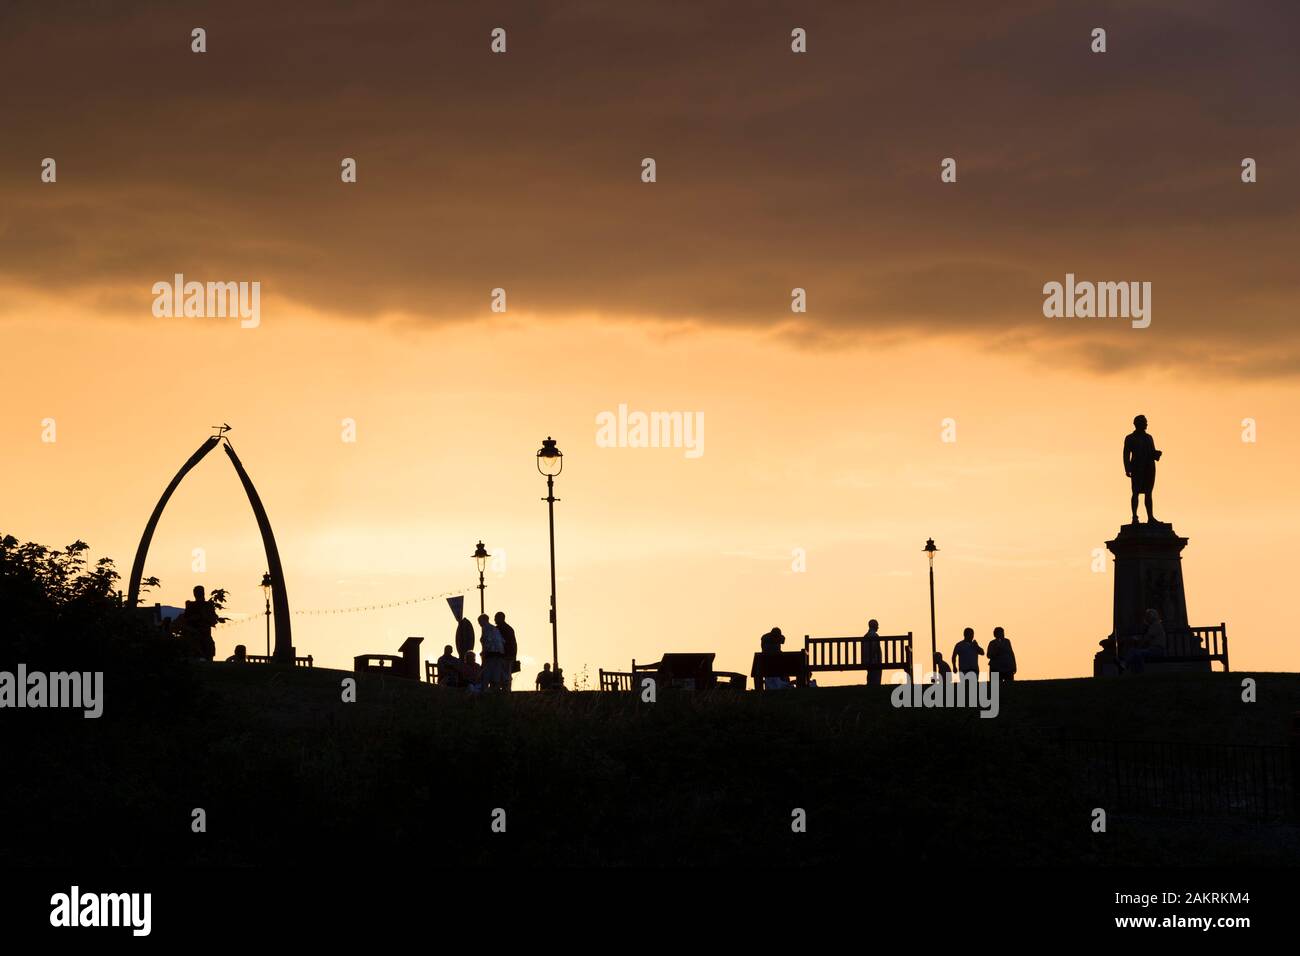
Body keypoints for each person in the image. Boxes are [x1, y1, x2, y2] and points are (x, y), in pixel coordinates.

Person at [1123, 414, 1163, 524]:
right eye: (1144, 422)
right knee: (1135, 492)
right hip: (1137, 467)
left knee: (1148, 493)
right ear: (1137, 424)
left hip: (1149, 467)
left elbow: (1151, 452)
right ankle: (1135, 517)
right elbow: (1126, 454)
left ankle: (1150, 517)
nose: (1146, 424)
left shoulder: (1149, 437)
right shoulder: (1130, 438)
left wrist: (1156, 454)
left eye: (1146, 422)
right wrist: (1127, 468)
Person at [181, 585, 218, 660]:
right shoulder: (191, 605)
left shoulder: (208, 605)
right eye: (197, 593)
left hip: (205, 635)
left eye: (200, 592)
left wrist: (205, 617)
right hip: (194, 635)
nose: (199, 594)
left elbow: (213, 620)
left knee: (208, 652)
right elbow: (185, 620)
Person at [1124, 609, 1167, 674]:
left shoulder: (1156, 625)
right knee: (1133, 651)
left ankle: (1138, 672)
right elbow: (1147, 638)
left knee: (1137, 654)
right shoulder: (1153, 626)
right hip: (1152, 649)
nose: (1146, 618)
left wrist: (1138, 645)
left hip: (1157, 650)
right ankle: (1125, 666)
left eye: (1148, 616)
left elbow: (1146, 639)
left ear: (1152, 617)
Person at [478, 614, 506, 690]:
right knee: (496, 674)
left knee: (486, 674)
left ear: (483, 620)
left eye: (479, 622)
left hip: (491, 654)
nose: (479, 624)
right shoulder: (495, 629)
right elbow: (503, 641)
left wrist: (484, 652)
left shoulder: (486, 628)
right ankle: (495, 690)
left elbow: (488, 641)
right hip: (499, 654)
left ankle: (485, 692)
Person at [495, 612, 518, 690]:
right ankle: (506, 689)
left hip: (503, 655)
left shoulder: (500, 629)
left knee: (503, 674)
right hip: (508, 655)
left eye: (496, 618)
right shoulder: (509, 629)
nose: (494, 619)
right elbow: (514, 644)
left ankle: (505, 689)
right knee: (506, 674)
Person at [863, 619, 883, 685]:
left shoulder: (865, 636)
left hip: (866, 660)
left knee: (870, 673)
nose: (878, 627)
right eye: (877, 626)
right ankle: (876, 684)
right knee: (876, 671)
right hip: (874, 661)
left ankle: (870, 683)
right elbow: (875, 649)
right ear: (875, 626)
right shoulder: (875, 636)